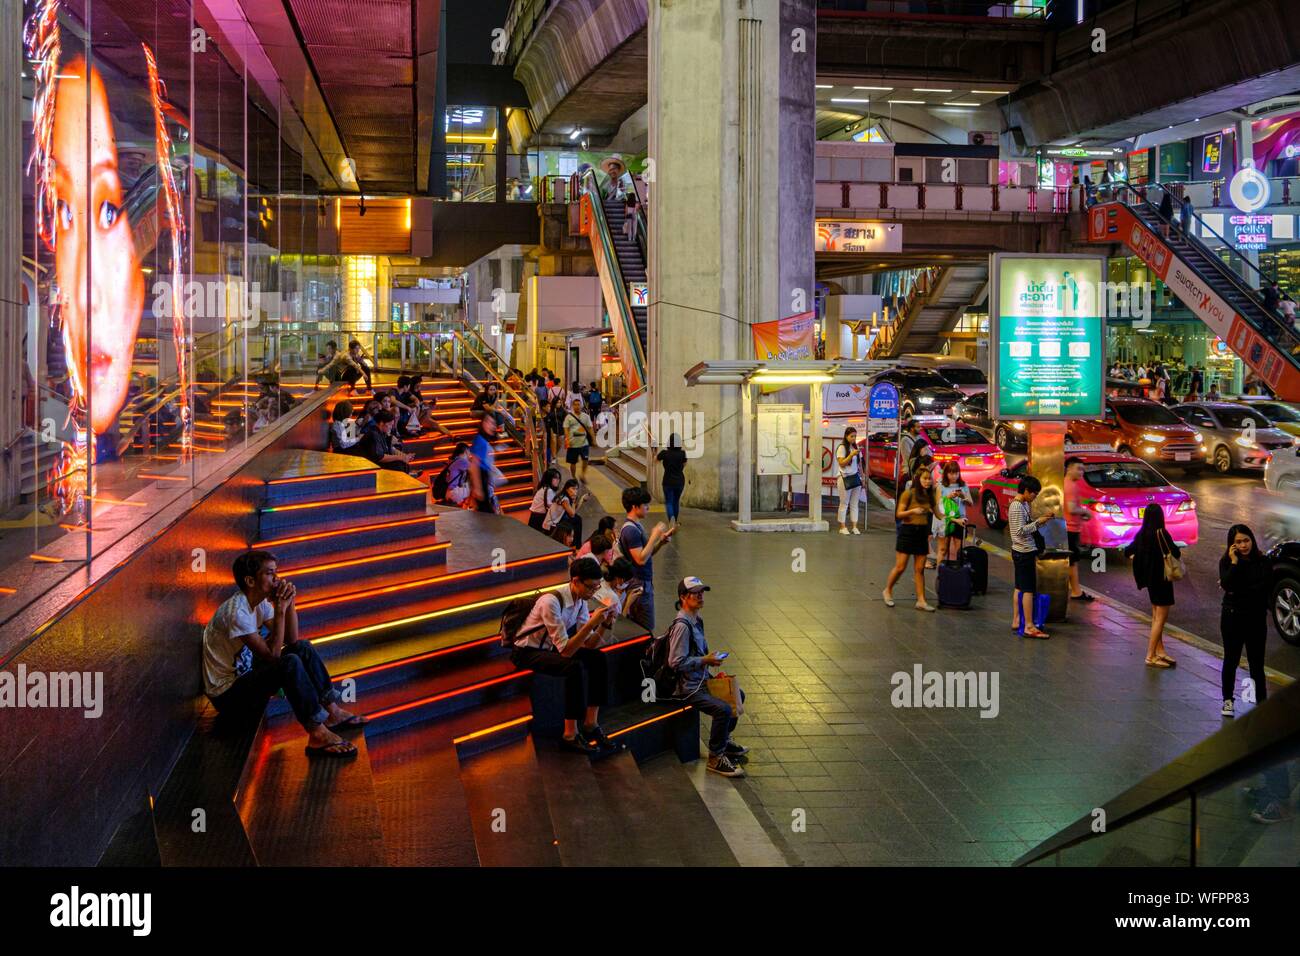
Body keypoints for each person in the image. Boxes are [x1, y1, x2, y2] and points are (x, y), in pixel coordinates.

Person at [203, 551, 366, 757]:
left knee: (302, 648)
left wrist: (290, 605)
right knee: (288, 663)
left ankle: (331, 711)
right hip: (228, 695)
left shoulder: (259, 603)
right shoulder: (237, 612)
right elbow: (273, 657)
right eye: (270, 574)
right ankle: (316, 732)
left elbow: (292, 639)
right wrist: (280, 609)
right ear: (250, 580)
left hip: (246, 676)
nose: (277, 579)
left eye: (276, 573)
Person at [508, 557, 622, 755]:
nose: (593, 592)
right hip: (527, 652)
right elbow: (566, 651)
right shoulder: (550, 602)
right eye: (590, 587)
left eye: (596, 588)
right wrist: (591, 624)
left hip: (551, 647)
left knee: (598, 658)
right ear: (576, 581)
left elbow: (589, 644)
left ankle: (590, 723)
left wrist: (604, 624)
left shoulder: (580, 600)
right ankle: (570, 734)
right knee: (573, 667)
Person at [666, 576, 748, 778]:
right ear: (683, 597)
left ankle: (724, 740)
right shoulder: (682, 626)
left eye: (702, 592)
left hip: (701, 679)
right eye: (696, 593)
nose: (701, 596)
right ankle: (715, 757)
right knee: (723, 709)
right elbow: (675, 662)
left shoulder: (697, 620)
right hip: (687, 688)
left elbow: (699, 653)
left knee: (737, 694)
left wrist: (710, 669)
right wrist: (705, 661)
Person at [1218, 524, 1270, 718]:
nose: (1243, 545)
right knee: (1231, 659)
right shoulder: (1227, 562)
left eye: (1246, 540)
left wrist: (1236, 589)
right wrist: (1234, 563)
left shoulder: (1263, 561)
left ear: (1252, 540)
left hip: (1256, 619)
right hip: (1232, 617)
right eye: (1238, 542)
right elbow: (1227, 583)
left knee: (1257, 663)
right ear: (1232, 545)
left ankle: (1261, 702)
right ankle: (1228, 700)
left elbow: (1263, 588)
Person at [1124, 503, 1181, 668]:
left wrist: (1139, 558)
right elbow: (1176, 553)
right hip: (1162, 580)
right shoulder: (1161, 533)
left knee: (1156, 617)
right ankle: (1150, 656)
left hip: (1149, 581)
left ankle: (1160, 650)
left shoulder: (1142, 534)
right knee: (1160, 619)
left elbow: (1128, 551)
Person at [884, 462, 942, 612]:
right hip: (907, 531)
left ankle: (921, 600)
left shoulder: (930, 496)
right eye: (925, 479)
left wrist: (955, 514)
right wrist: (913, 511)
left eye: (930, 479)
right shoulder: (908, 494)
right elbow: (899, 514)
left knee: (919, 569)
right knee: (901, 566)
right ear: (918, 479)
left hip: (922, 533)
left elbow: (939, 514)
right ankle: (888, 590)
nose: (928, 481)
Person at [618, 486, 675, 630]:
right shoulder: (630, 530)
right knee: (645, 626)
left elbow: (646, 553)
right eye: (645, 505)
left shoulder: (636, 526)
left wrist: (660, 542)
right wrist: (655, 535)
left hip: (644, 581)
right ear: (634, 507)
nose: (648, 508)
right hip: (638, 583)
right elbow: (640, 559)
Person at [1008, 475, 1055, 639]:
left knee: (1019, 587)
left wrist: (1041, 520)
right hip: (1023, 552)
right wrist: (1038, 523)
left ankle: (1017, 619)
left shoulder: (1023, 505)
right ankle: (1029, 625)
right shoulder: (1016, 507)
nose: (1034, 497)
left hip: (1022, 551)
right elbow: (1019, 531)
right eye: (1034, 493)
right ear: (1026, 491)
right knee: (1028, 590)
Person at [589, 557, 644, 645]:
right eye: (628, 581)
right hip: (601, 639)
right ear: (622, 580)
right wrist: (628, 603)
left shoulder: (600, 582)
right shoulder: (613, 598)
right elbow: (618, 625)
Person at [1063, 457, 1096, 602]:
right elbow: (1071, 508)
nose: (1081, 472)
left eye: (1083, 469)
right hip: (1070, 529)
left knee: (1072, 560)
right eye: (1078, 468)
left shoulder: (1067, 484)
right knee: (1072, 560)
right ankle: (1076, 591)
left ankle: (1076, 590)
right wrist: (1086, 512)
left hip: (1070, 526)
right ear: (1069, 468)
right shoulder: (1071, 486)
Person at [354, 409, 415, 473]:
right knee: (399, 465)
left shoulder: (381, 432)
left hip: (376, 462)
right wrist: (400, 457)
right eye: (390, 424)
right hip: (370, 464)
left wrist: (404, 456)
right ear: (381, 423)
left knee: (401, 463)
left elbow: (387, 451)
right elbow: (380, 457)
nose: (391, 427)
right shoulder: (373, 434)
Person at [934, 460, 972, 562]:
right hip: (945, 521)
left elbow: (971, 503)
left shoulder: (963, 486)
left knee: (959, 550)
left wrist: (963, 496)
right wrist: (948, 497)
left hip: (960, 519)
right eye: (951, 473)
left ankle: (957, 574)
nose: (954, 476)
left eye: (956, 473)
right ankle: (941, 574)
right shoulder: (941, 486)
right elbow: (937, 506)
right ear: (946, 473)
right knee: (943, 549)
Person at [468, 414, 503, 513]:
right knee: (485, 513)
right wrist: (478, 488)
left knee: (483, 512)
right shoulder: (480, 441)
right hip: (481, 477)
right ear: (483, 423)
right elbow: (474, 465)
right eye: (490, 422)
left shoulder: (482, 440)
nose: (492, 426)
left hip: (484, 477)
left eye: (494, 424)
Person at [835, 427, 866, 536]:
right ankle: (842, 527)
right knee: (844, 503)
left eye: (855, 436)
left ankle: (854, 526)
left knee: (854, 504)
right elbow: (842, 463)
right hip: (844, 478)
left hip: (856, 477)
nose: (853, 438)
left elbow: (860, 465)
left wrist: (863, 478)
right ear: (846, 436)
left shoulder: (856, 448)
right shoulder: (842, 448)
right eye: (851, 436)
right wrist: (851, 455)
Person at [658, 432, 689, 531]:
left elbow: (655, 460)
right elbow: (684, 464)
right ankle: (675, 522)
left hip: (667, 481)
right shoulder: (682, 453)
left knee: (669, 502)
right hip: (680, 481)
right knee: (676, 501)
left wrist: (655, 452)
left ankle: (671, 519)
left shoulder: (664, 453)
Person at [544, 478, 588, 544]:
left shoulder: (565, 496)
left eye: (576, 489)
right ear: (567, 489)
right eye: (573, 488)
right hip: (551, 525)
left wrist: (582, 500)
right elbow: (572, 514)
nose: (575, 491)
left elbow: (573, 511)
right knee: (577, 520)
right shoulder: (564, 499)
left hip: (557, 521)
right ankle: (577, 544)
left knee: (577, 518)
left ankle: (575, 543)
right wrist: (573, 500)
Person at [563, 398, 595, 484]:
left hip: (584, 443)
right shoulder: (569, 417)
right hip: (573, 444)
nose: (577, 406)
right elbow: (566, 429)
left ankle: (583, 475)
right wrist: (567, 440)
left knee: (585, 460)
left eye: (578, 404)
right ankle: (573, 477)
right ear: (573, 406)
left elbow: (590, 428)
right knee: (573, 462)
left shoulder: (586, 416)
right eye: (575, 405)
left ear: (581, 405)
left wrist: (593, 439)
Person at [528, 468, 561, 532]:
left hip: (534, 517)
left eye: (558, 478)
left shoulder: (543, 487)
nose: (558, 480)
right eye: (555, 478)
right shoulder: (549, 490)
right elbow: (552, 507)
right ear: (549, 478)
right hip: (539, 519)